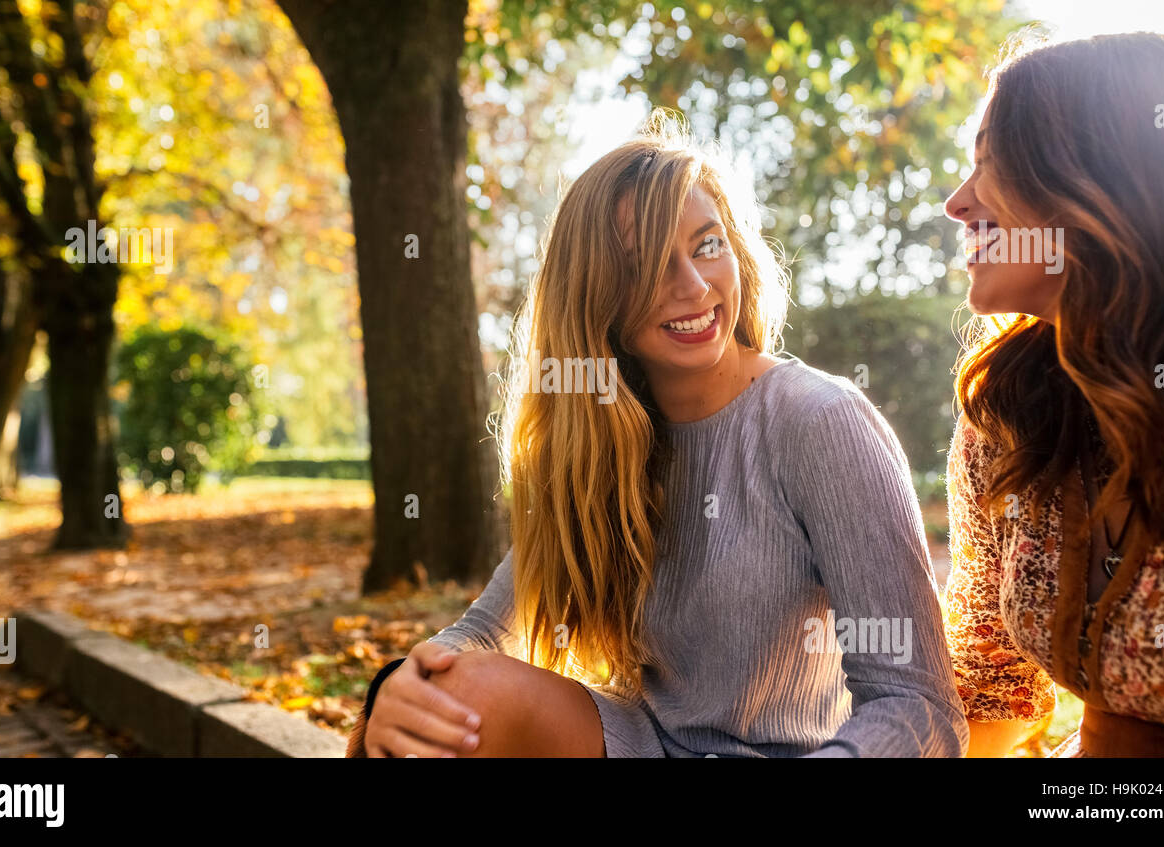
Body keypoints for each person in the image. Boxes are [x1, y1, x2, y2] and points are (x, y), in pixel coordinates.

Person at [350, 111, 966, 757]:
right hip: (638, 742)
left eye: (706, 244)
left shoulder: (819, 422)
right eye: (644, 263)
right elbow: (485, 630)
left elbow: (916, 703)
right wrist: (402, 683)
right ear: (593, 296)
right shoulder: (599, 438)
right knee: (439, 704)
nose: (693, 286)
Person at [941, 32, 1164, 757]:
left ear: (1102, 177)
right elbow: (991, 677)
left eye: (990, 165)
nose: (955, 204)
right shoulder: (1007, 408)